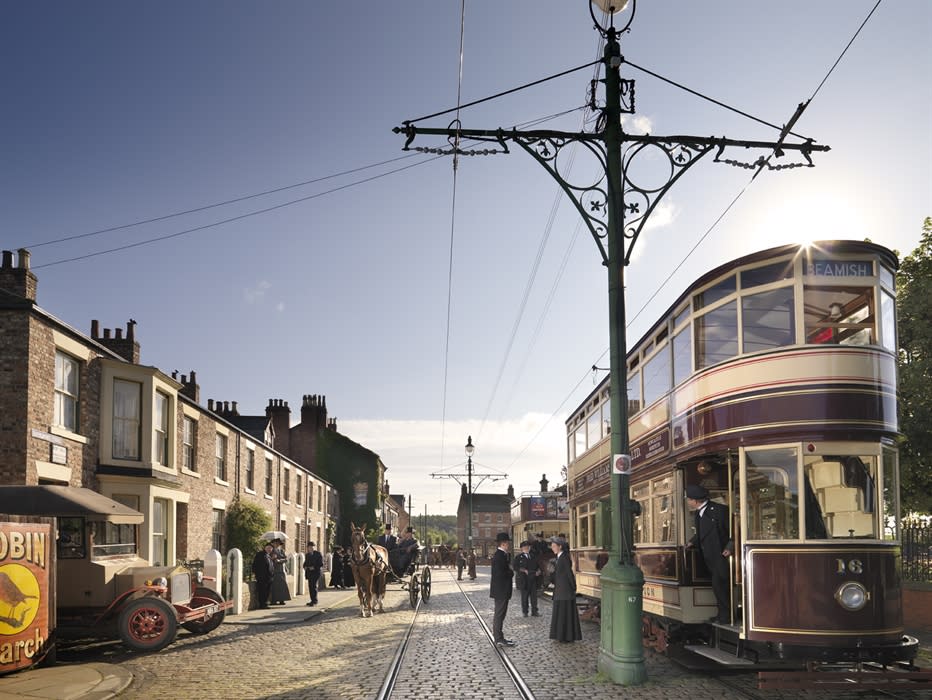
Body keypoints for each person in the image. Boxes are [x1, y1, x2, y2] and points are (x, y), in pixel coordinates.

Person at [685, 483, 734, 623]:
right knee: (717, 586)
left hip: (721, 554)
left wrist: (730, 546)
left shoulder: (720, 510)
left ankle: (726, 616)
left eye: (689, 499)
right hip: (709, 555)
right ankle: (722, 614)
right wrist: (692, 542)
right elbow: (701, 533)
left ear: (695, 500)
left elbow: (733, 529)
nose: (688, 502)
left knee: (721, 585)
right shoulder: (698, 513)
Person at [548, 535, 582, 642]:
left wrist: (573, 587)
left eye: (554, 546)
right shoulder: (559, 558)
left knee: (564, 613)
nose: (552, 548)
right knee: (561, 613)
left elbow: (569, 573)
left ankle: (565, 636)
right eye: (552, 546)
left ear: (560, 547)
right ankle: (561, 636)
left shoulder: (564, 558)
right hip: (561, 591)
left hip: (565, 591)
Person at [490, 532, 516, 647]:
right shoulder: (499, 556)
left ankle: (500, 637)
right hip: (501, 590)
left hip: (501, 590)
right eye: (507, 543)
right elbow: (500, 573)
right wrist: (510, 572)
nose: (509, 545)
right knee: (499, 614)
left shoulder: (502, 555)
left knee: (501, 614)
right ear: (504, 543)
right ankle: (498, 638)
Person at [514, 540, 540, 617]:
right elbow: (515, 567)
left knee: (534, 597)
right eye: (525, 547)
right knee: (524, 597)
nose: (526, 548)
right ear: (522, 548)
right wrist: (523, 570)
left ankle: (534, 611)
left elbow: (537, 566)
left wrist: (538, 571)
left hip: (533, 579)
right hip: (524, 580)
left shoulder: (533, 556)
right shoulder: (519, 557)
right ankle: (525, 612)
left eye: (528, 547)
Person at [251, 542, 274, 610]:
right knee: (262, 591)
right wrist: (257, 574)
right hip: (262, 577)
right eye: (268, 548)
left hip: (269, 577)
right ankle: (262, 604)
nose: (269, 549)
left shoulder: (268, 555)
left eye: (271, 548)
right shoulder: (260, 554)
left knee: (267, 591)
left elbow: (270, 566)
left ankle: (265, 603)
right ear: (265, 547)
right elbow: (255, 565)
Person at [269, 539, 291, 605]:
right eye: (275, 543)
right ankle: (274, 600)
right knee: (274, 586)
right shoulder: (271, 551)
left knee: (282, 586)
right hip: (274, 570)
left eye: (278, 543)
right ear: (273, 544)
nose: (277, 545)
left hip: (281, 570)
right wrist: (273, 558)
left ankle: (282, 599)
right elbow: (269, 559)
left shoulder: (281, 550)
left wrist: (279, 560)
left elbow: (286, 559)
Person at [303, 541, 324, 606]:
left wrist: (314, 567)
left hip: (316, 573)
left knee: (314, 585)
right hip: (309, 573)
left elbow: (321, 564)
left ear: (313, 547)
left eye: (311, 547)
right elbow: (305, 563)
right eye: (308, 547)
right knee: (310, 586)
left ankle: (315, 601)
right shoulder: (307, 555)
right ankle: (312, 600)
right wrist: (304, 566)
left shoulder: (318, 554)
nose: (309, 548)